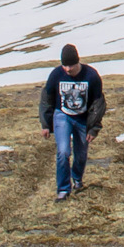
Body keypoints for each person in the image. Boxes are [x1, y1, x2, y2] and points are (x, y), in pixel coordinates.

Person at [39, 43, 106, 200]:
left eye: (71, 66)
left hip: (82, 119)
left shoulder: (91, 76)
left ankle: (77, 178)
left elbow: (98, 104)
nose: (68, 69)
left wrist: (93, 128)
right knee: (63, 151)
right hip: (62, 115)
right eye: (65, 66)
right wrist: (46, 124)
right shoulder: (56, 75)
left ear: (78, 62)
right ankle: (63, 189)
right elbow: (46, 100)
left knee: (81, 154)